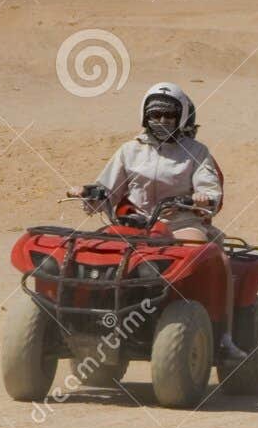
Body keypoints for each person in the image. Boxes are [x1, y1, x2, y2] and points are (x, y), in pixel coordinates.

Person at [72, 82, 245, 362]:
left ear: (183, 118)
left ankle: (222, 335)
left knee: (212, 257)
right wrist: (90, 194)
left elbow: (211, 190)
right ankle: (87, 317)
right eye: (155, 115)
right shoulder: (130, 150)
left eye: (169, 116)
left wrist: (203, 198)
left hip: (179, 222)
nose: (162, 121)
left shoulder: (196, 152)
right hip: (135, 223)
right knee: (94, 252)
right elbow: (107, 190)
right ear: (145, 117)